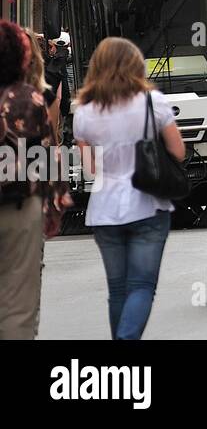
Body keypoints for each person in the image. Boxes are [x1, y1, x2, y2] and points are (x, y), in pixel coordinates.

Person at [71, 38, 182, 339]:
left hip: (105, 208)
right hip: (148, 203)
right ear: (136, 65)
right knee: (142, 286)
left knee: (117, 289)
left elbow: (90, 168)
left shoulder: (84, 111)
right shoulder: (152, 102)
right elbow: (179, 151)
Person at [0, 21, 67, 339]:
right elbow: (47, 155)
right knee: (18, 303)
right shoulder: (28, 99)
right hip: (18, 206)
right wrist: (55, 205)